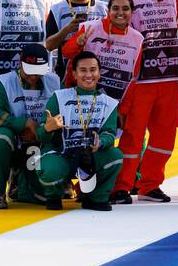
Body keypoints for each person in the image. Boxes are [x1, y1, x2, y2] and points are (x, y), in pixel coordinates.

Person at [112, 0, 178, 204]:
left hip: (168, 80)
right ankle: (122, 186)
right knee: (132, 137)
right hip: (140, 82)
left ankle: (150, 184)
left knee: (165, 136)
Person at [36, 51, 122, 212]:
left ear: (99, 72)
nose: (88, 75)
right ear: (74, 74)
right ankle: (53, 195)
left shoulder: (109, 103)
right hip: (62, 154)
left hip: (90, 156)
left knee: (115, 156)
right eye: (83, 70)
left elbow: (110, 134)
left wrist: (100, 142)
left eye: (93, 70)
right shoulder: (59, 97)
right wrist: (48, 128)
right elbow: (40, 135)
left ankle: (95, 197)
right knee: (51, 168)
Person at [0, 42, 61, 209]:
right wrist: (23, 124)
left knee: (42, 197)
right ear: (20, 63)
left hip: (40, 141)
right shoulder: (3, 82)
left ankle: (20, 184)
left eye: (38, 72)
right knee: (0, 137)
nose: (34, 77)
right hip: (13, 140)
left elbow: (59, 114)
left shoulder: (54, 81)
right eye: (30, 71)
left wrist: (40, 131)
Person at [61, 0, 144, 102]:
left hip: (116, 102)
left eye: (125, 9)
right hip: (82, 97)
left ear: (131, 12)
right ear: (108, 11)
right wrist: (77, 43)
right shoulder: (90, 28)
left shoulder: (137, 39)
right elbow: (66, 52)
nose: (120, 12)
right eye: (115, 8)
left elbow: (135, 79)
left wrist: (124, 109)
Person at [45, 0, 106, 81]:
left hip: (98, 76)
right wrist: (66, 30)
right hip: (66, 77)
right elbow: (49, 45)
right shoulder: (57, 10)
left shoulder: (104, 9)